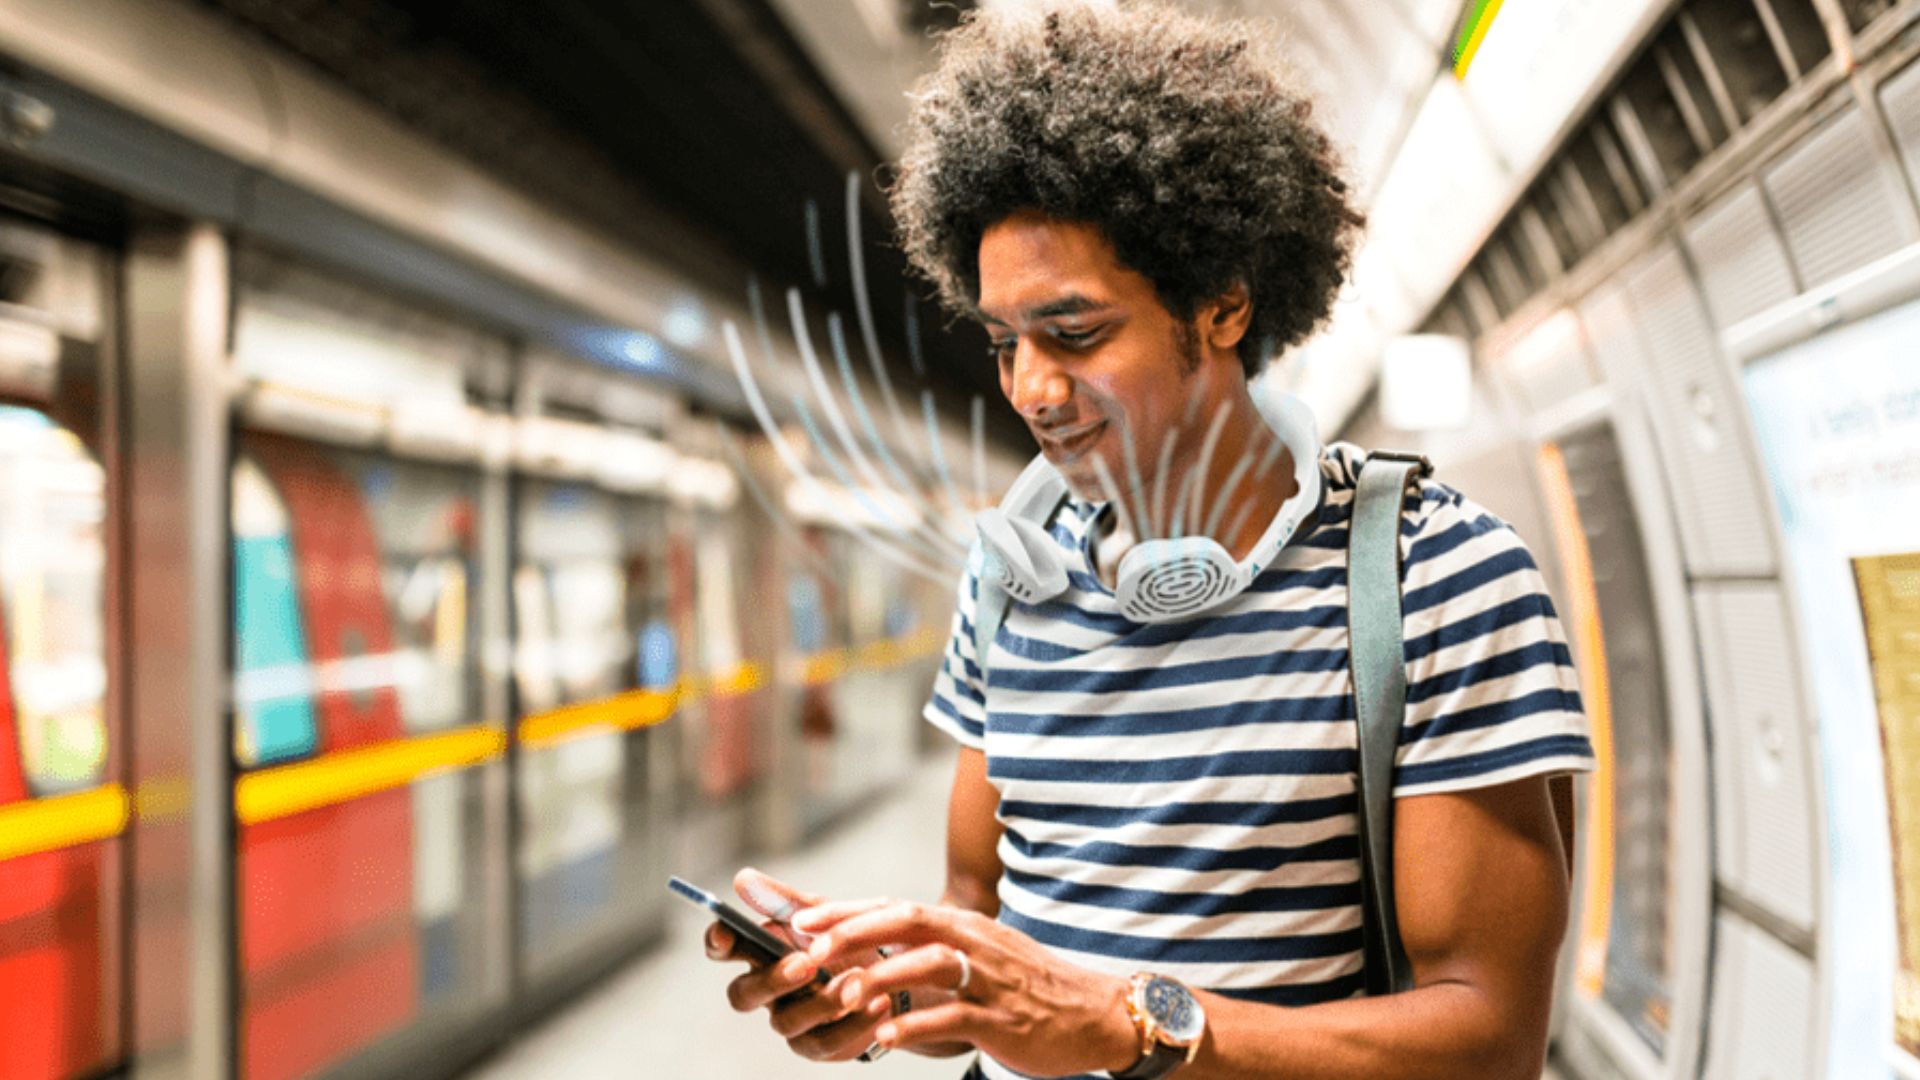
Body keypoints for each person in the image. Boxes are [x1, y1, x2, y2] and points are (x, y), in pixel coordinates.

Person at [704, 4, 1595, 1078]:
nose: (1031, 389)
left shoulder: (1438, 583)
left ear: (1221, 307)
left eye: (1074, 334)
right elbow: (980, 903)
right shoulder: (1010, 584)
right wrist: (891, 984)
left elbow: (1489, 1039)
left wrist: (1136, 1025)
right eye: (1004, 342)